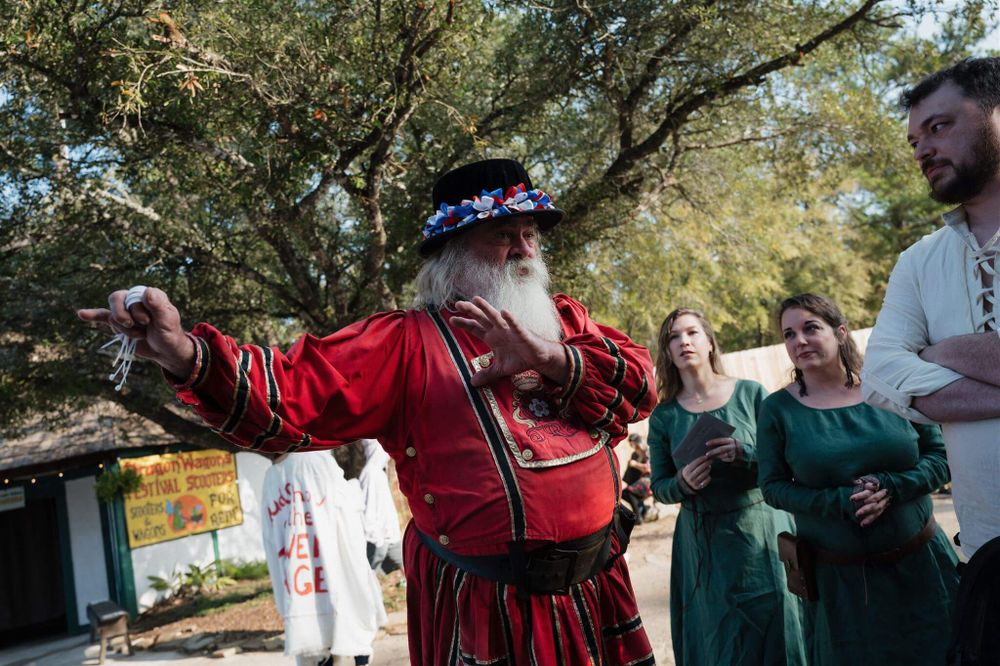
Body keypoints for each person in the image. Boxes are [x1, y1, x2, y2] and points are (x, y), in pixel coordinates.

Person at [78, 158, 657, 665]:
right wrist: (184, 353)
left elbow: (642, 387)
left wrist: (551, 358)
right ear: (452, 254)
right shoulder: (403, 344)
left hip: (598, 590)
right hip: (494, 608)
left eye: (530, 234)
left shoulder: (566, 322)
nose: (525, 251)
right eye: (503, 234)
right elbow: (291, 392)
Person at [757, 293, 958, 665]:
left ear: (841, 332)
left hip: (922, 567)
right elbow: (772, 486)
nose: (799, 341)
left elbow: (940, 456)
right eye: (789, 334)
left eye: (810, 328)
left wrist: (892, 487)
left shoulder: (889, 386)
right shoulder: (777, 410)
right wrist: (839, 502)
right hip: (841, 587)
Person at [861, 56, 1000, 559]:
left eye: (938, 126)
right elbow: (880, 376)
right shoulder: (918, 262)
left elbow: (904, 374)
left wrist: (941, 352)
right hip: (985, 550)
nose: (922, 150)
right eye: (914, 141)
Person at [647, 308, 805, 666]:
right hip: (702, 543)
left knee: (778, 625)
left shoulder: (750, 394)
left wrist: (743, 453)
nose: (684, 341)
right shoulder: (664, 416)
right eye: (673, 337)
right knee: (716, 634)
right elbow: (660, 486)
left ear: (709, 341)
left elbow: (785, 461)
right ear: (667, 351)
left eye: (692, 332)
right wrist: (682, 483)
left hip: (761, 530)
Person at [261, 451, 386, 666]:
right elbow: (347, 511)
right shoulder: (317, 462)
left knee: (318, 628)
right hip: (330, 558)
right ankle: (359, 658)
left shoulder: (273, 478)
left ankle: (333, 657)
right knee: (349, 605)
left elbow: (270, 536)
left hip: (298, 567)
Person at [357, 439, 404, 576]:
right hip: (378, 541)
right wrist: (378, 541)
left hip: (389, 535)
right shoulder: (370, 473)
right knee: (369, 578)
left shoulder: (378, 471)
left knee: (406, 566)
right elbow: (369, 512)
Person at [620, 433, 652, 523]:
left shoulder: (647, 451)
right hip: (639, 480)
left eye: (631, 442)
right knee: (624, 493)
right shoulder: (635, 454)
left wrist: (635, 464)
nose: (630, 445)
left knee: (630, 493)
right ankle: (643, 509)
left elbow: (649, 469)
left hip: (649, 480)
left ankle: (638, 516)